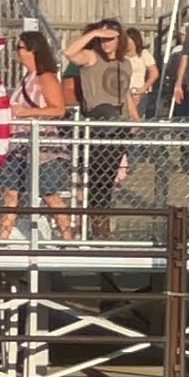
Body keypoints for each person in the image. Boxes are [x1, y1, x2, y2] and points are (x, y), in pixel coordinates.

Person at [63, 19, 138, 240]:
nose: (105, 44)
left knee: (110, 177)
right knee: (97, 178)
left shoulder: (125, 63)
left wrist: (135, 119)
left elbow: (124, 92)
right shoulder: (91, 57)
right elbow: (69, 52)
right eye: (102, 40)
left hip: (119, 126)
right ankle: (96, 226)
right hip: (99, 125)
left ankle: (103, 225)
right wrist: (94, 32)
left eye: (110, 39)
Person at [0, 30, 71, 242]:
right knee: (10, 193)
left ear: (33, 50)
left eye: (20, 47)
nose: (17, 52)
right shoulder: (27, 78)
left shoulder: (46, 77)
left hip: (41, 146)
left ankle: (68, 238)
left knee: (49, 193)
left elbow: (58, 109)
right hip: (18, 144)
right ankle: (1, 239)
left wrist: (27, 112)